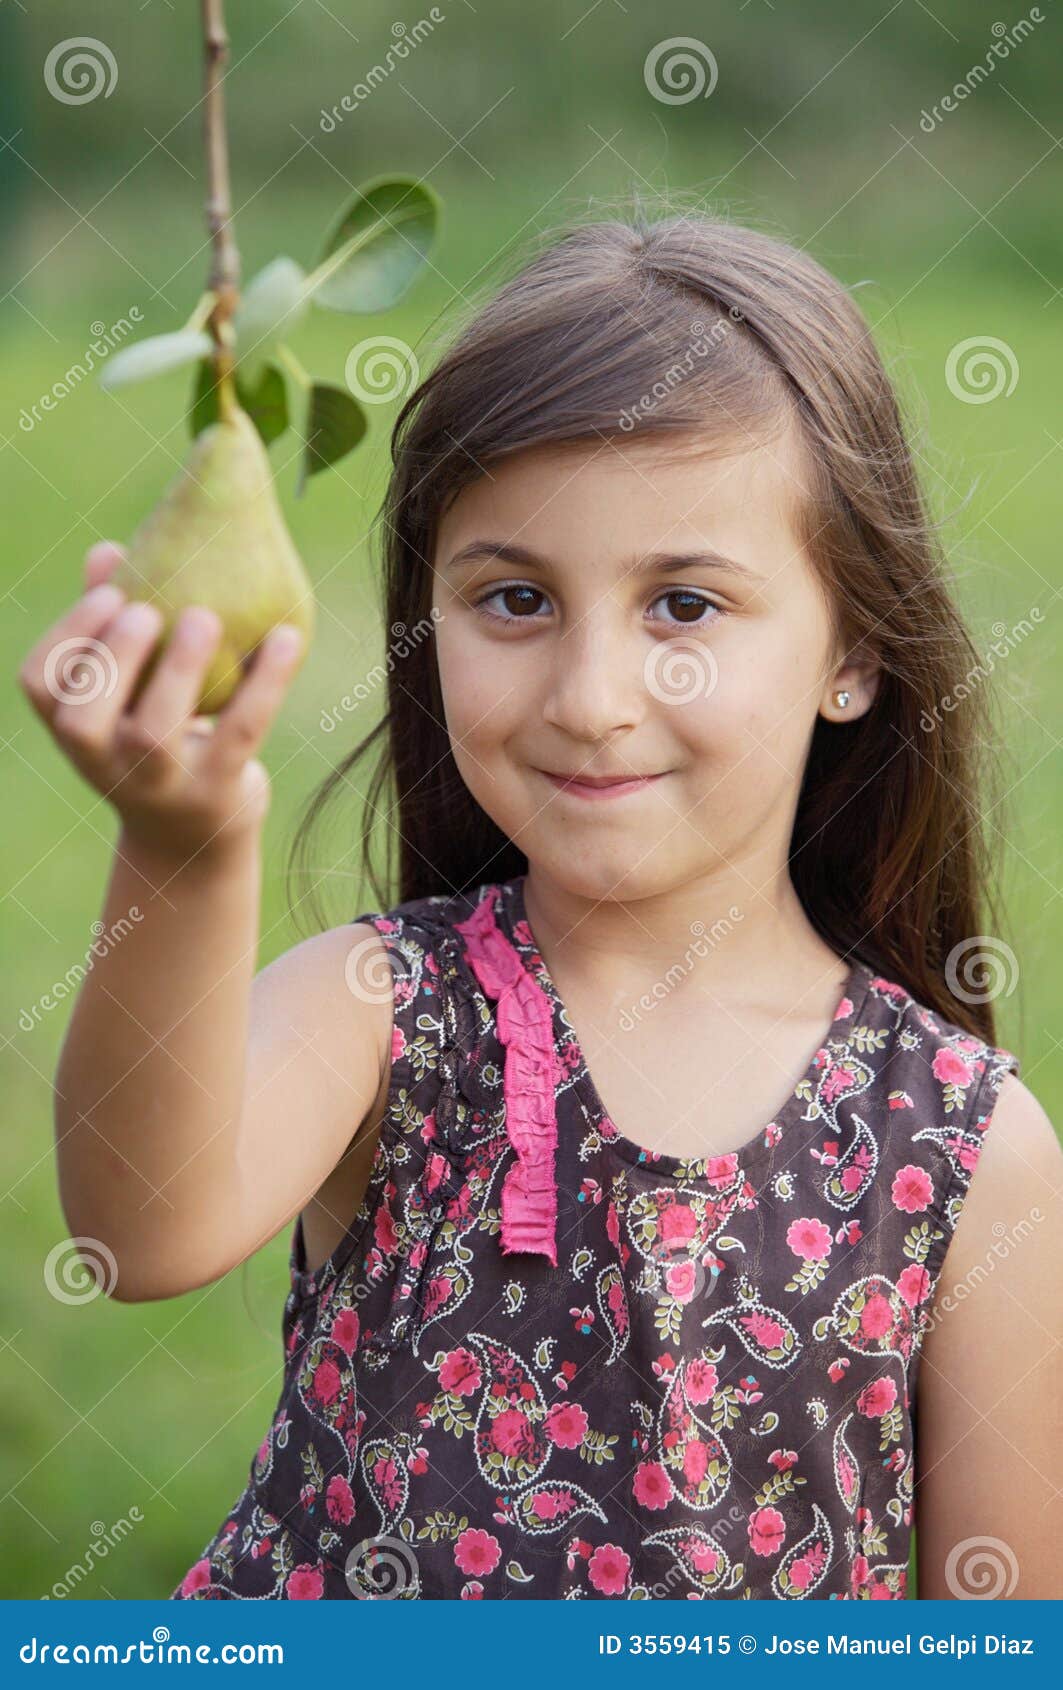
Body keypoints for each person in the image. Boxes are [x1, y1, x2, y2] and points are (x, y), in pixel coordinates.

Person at [19, 211, 1061, 1601]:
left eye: (684, 606)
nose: (589, 697)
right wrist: (182, 851)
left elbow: (999, 1635)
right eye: (515, 597)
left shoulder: (963, 1143)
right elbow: (139, 1232)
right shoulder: (384, 1012)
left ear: (854, 650)